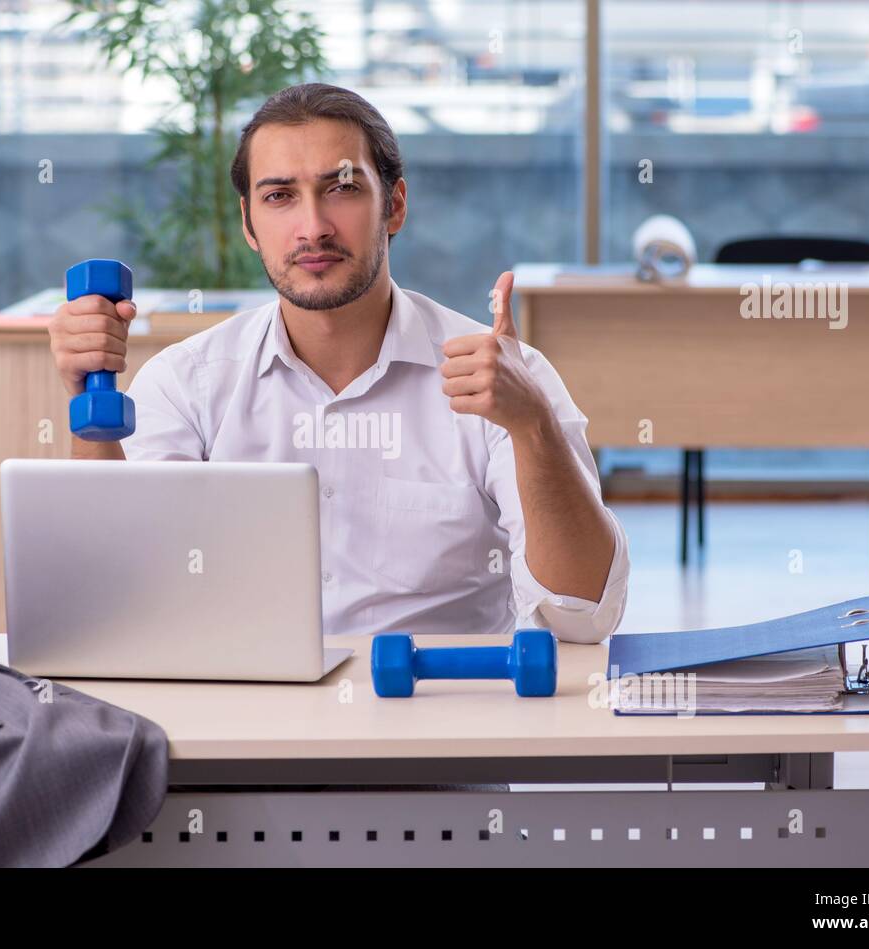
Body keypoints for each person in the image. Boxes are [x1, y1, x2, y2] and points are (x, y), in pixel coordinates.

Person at [48, 82, 628, 643]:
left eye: (342, 188)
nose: (313, 227)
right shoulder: (187, 383)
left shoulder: (507, 378)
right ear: (249, 223)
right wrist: (85, 404)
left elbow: (580, 615)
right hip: (245, 721)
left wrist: (533, 428)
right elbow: (121, 600)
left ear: (394, 206)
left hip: (441, 718)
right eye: (279, 197)